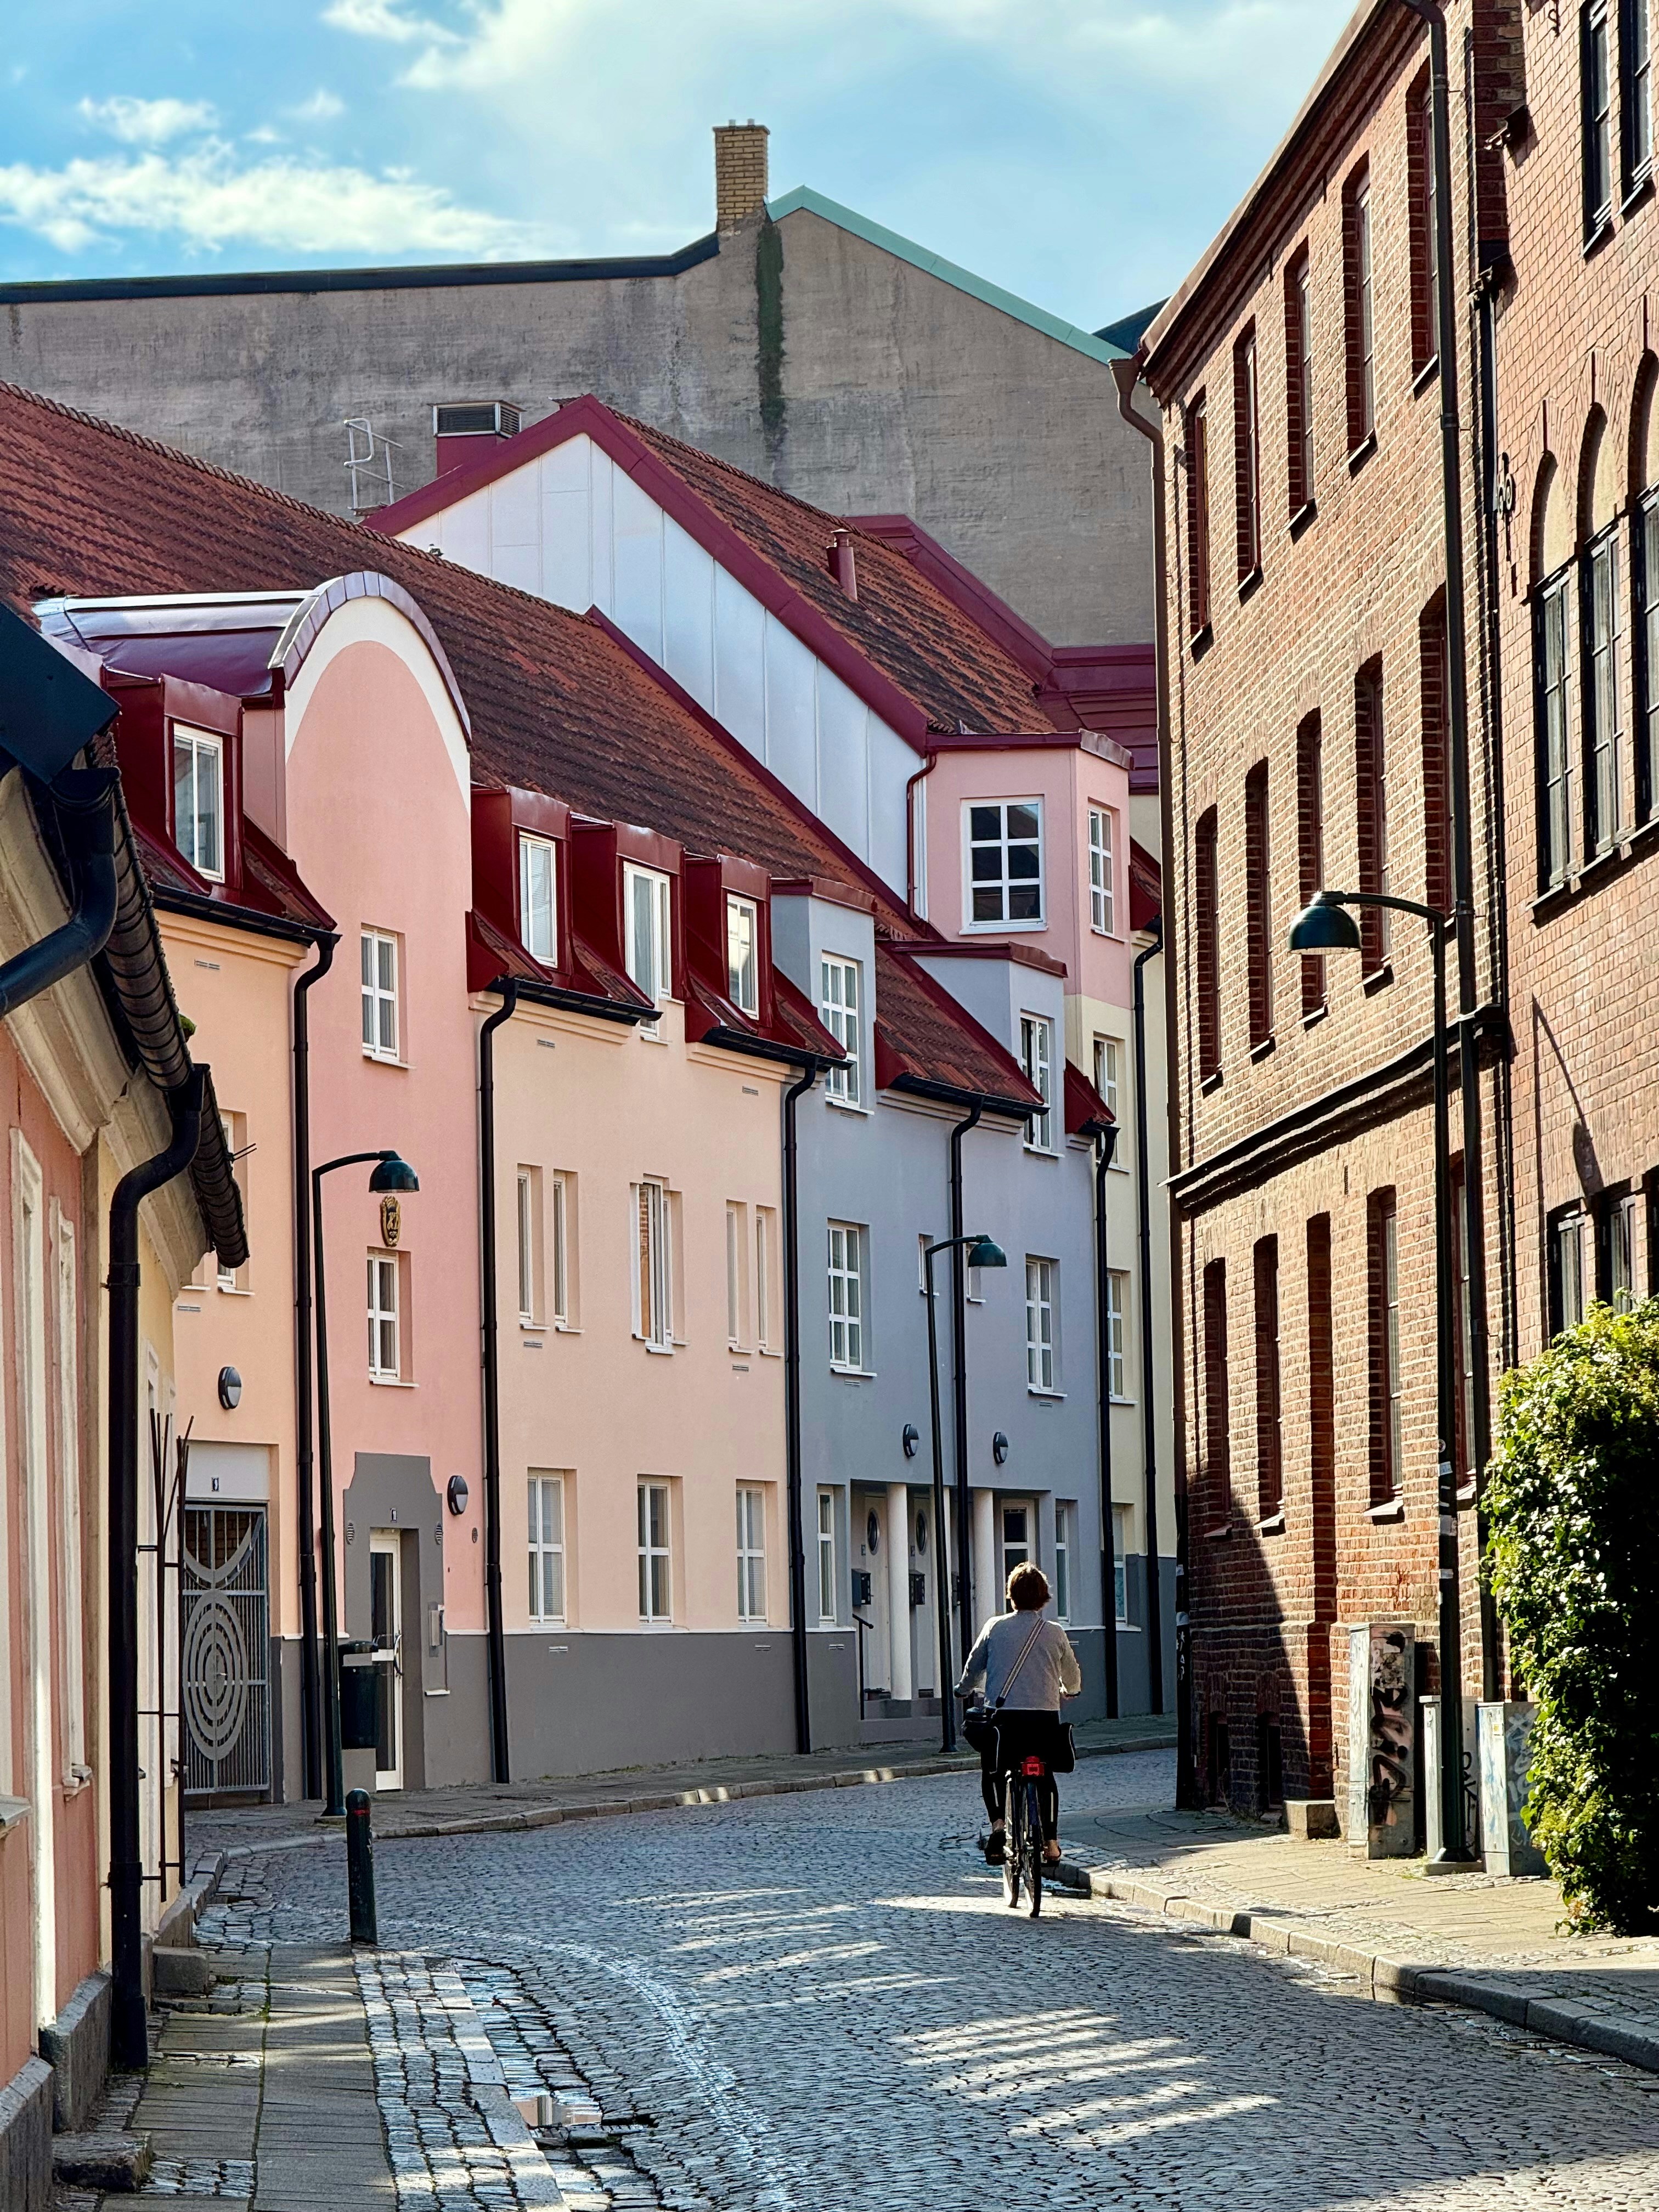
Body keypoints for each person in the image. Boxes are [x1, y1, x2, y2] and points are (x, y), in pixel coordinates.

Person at [956, 1562, 1081, 1866]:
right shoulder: (1054, 1632)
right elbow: (1072, 1674)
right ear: (1043, 1597)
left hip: (1005, 1720)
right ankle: (1051, 1844)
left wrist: (963, 1689)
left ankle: (998, 1827)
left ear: (1012, 1595)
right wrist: (1071, 1690)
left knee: (994, 1770)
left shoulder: (995, 1627)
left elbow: (975, 1667)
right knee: (1046, 1775)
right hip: (1044, 1720)